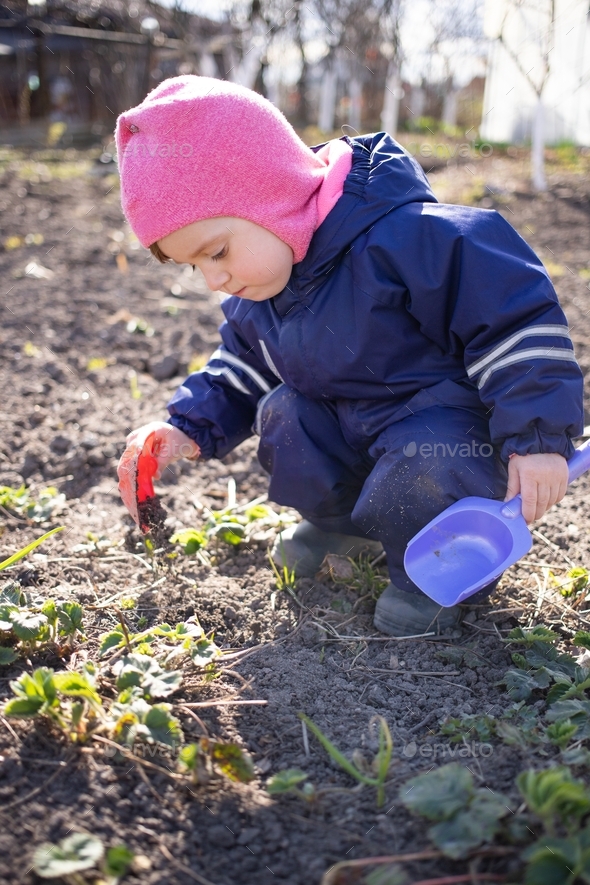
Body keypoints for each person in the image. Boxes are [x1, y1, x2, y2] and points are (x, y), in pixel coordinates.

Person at [115, 75, 583, 637]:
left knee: (428, 463)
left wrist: (536, 441)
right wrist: (185, 427)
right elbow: (239, 367)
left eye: (217, 251)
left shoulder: (411, 241)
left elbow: (515, 326)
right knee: (285, 414)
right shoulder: (263, 290)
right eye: (195, 266)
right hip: (351, 426)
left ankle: (428, 575)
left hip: (442, 427)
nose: (214, 277)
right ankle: (343, 526)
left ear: (273, 197)